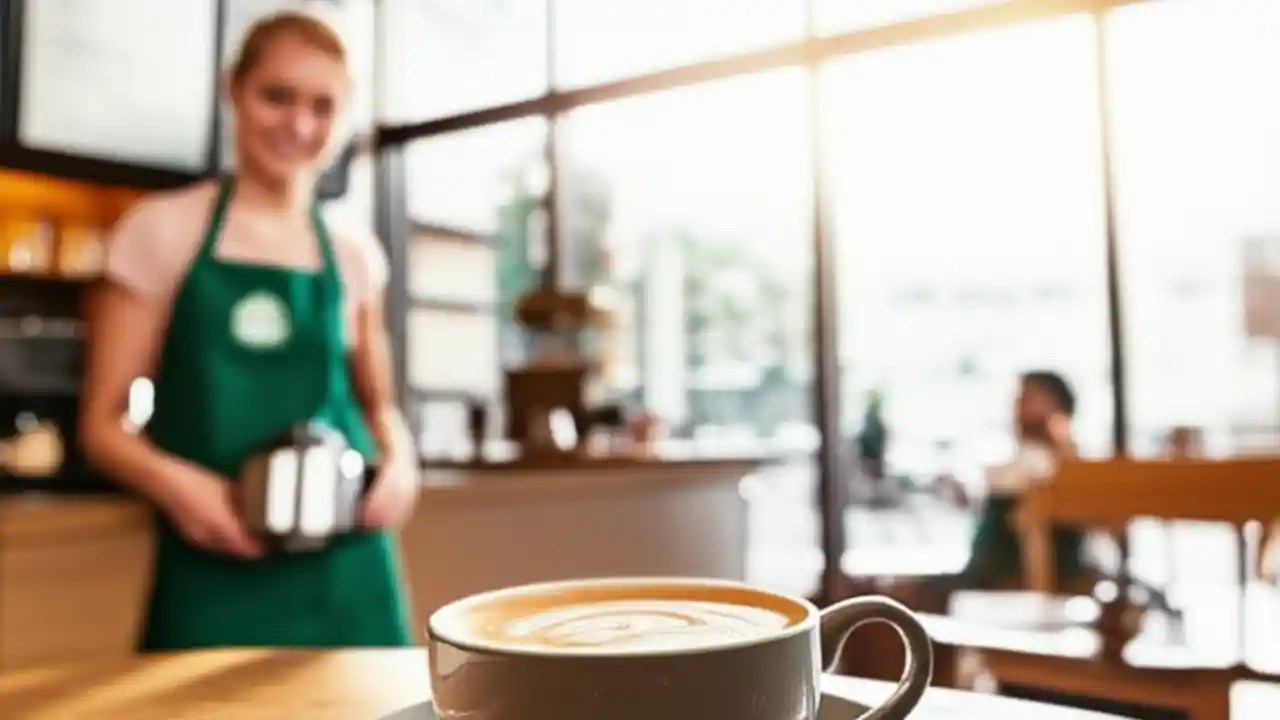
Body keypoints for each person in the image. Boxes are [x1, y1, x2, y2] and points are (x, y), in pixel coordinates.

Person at [79, 12, 418, 650]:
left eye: (324, 106)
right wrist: (183, 490)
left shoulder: (354, 254)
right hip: (214, 561)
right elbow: (102, 424)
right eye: (277, 96)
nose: (298, 125)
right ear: (231, 90)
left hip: (349, 574)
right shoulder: (159, 230)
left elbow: (379, 408)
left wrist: (402, 464)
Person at [954, 370, 1088, 590]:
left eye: (1025, 398)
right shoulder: (1020, 457)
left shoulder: (1062, 461)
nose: (1015, 407)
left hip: (1013, 580)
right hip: (985, 577)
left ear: (1056, 406)